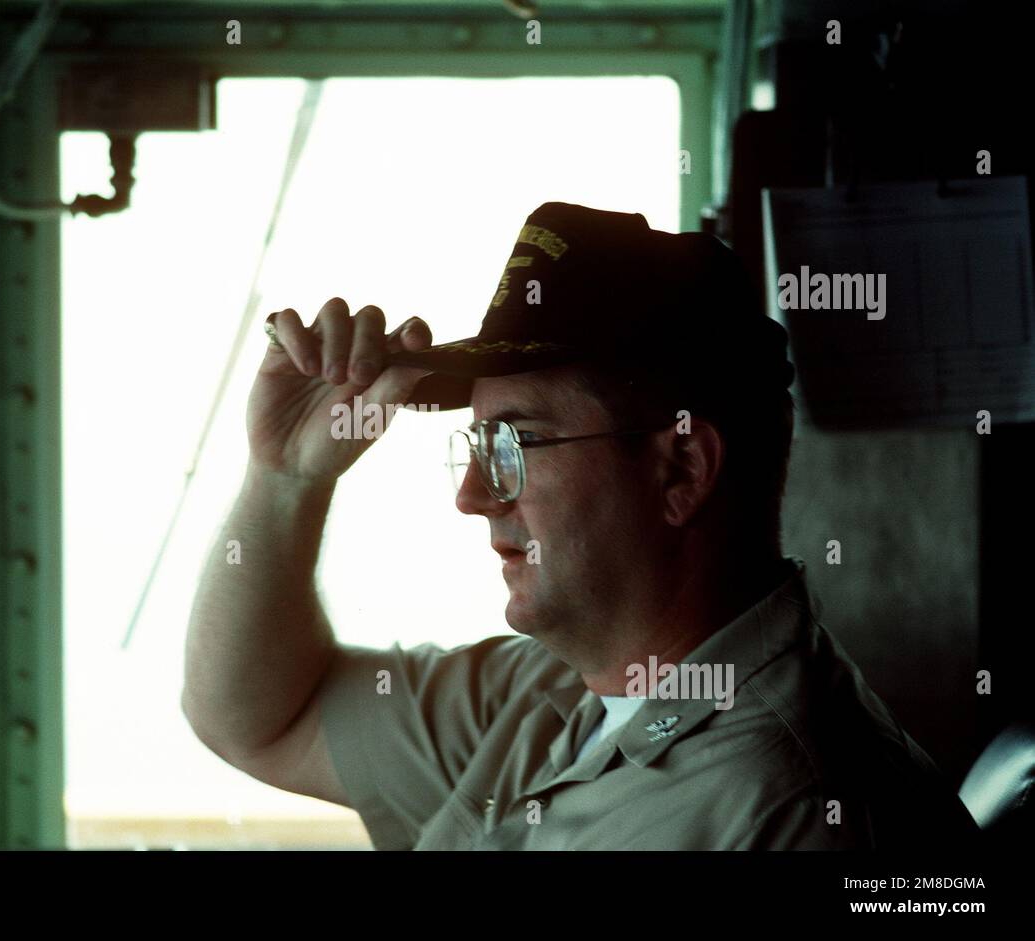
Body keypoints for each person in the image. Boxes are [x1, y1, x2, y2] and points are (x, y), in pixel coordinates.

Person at [182, 202, 979, 850]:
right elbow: (256, 718)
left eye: (516, 443)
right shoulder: (553, 692)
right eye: (479, 442)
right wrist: (285, 481)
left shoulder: (797, 810)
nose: (472, 493)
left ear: (682, 469)